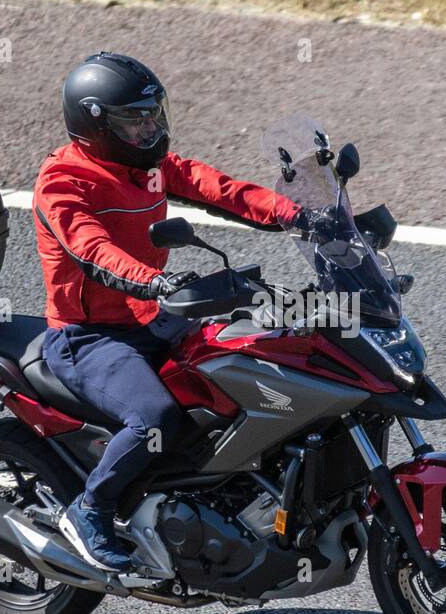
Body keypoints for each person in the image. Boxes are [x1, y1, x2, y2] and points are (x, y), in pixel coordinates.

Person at [33, 51, 302, 573]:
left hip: (151, 316)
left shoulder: (148, 167)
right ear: (95, 125)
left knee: (252, 359)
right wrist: (153, 279)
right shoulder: (65, 182)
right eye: (135, 120)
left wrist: (301, 215)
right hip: (88, 336)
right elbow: (92, 250)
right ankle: (91, 510)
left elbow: (218, 188)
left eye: (155, 114)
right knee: (153, 416)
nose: (151, 128)